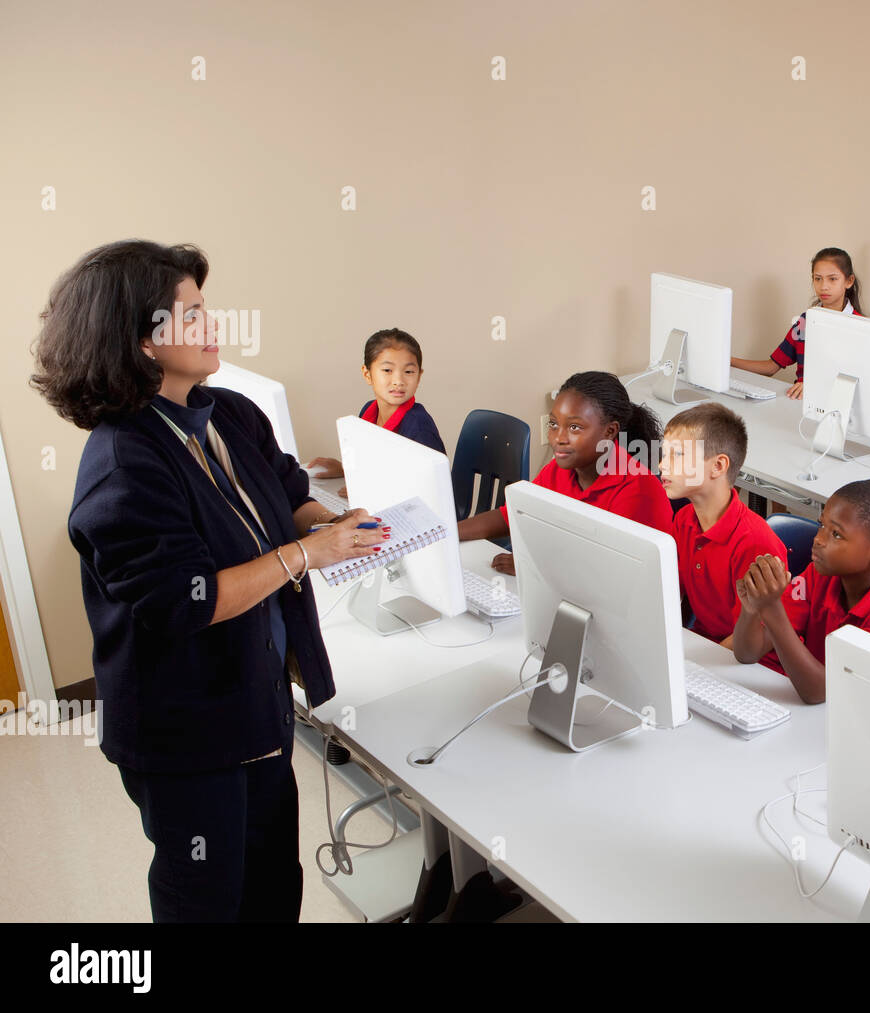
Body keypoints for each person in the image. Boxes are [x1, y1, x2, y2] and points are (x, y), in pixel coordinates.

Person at [31, 240, 385, 921]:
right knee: (207, 897)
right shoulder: (122, 465)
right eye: (190, 315)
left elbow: (286, 491)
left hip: (256, 705)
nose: (213, 325)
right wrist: (307, 555)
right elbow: (185, 600)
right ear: (138, 342)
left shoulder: (226, 411)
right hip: (185, 732)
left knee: (272, 883)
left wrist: (345, 522)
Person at [731, 480, 870, 704]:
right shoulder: (821, 575)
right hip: (823, 713)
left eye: (836, 534)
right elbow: (747, 654)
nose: (818, 539)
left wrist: (771, 609)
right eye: (821, 525)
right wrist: (752, 610)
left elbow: (821, 693)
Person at [456, 371, 672, 574]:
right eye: (553, 424)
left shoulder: (637, 490)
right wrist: (447, 533)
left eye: (574, 427)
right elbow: (513, 514)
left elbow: (609, 570)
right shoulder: (560, 470)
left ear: (610, 431)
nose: (558, 438)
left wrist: (535, 565)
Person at [659, 402, 787, 647]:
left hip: (750, 662)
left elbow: (754, 639)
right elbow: (677, 593)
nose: (663, 465)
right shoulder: (684, 519)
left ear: (718, 466)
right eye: (664, 455)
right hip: (705, 644)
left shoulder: (754, 542)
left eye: (677, 455)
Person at [306, 328, 445, 495]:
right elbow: (374, 469)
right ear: (367, 374)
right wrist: (346, 470)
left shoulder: (419, 427)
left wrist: (368, 491)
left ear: (419, 376)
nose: (398, 381)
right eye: (387, 370)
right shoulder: (368, 412)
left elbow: (430, 491)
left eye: (408, 372)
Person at [730, 247, 863, 399]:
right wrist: (729, 361)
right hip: (800, 402)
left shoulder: (861, 327)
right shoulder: (805, 322)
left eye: (832, 279)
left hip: (836, 406)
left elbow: (859, 384)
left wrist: (814, 386)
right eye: (817, 278)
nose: (823, 286)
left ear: (849, 281)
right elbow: (771, 367)